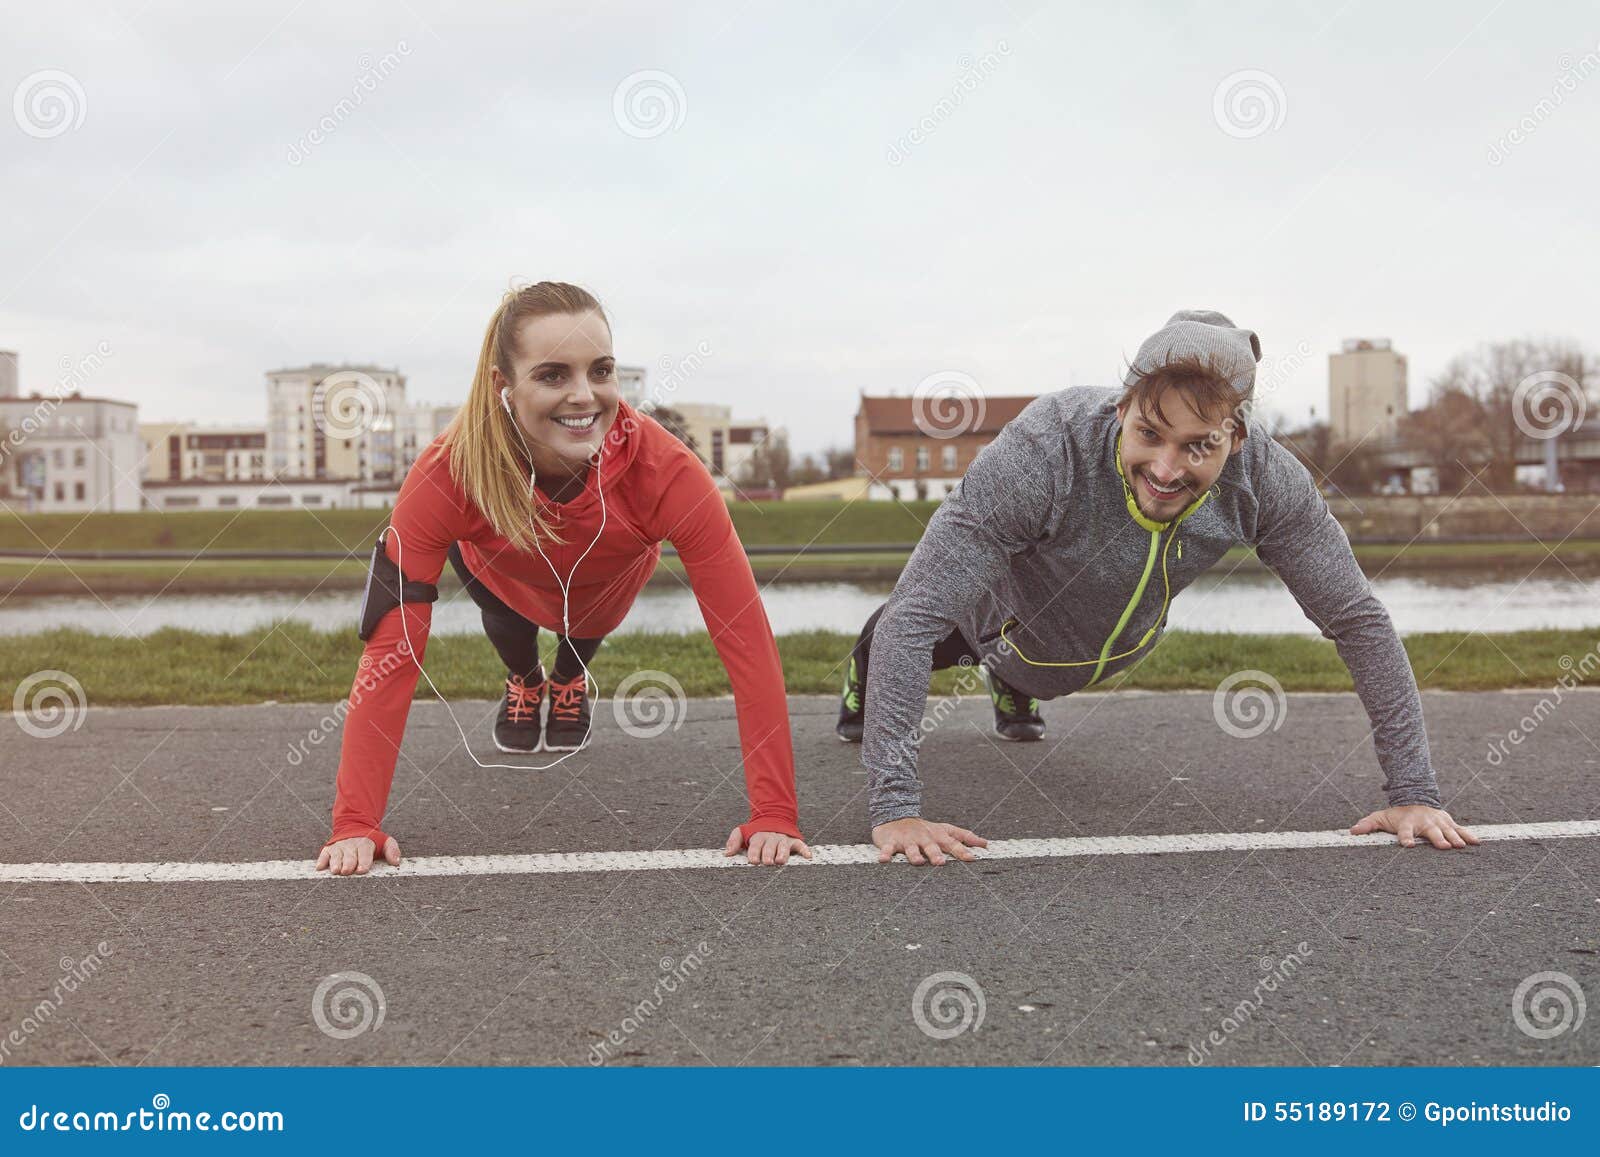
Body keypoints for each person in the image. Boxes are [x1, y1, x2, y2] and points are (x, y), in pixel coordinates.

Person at [839, 309, 1478, 866]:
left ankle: (1016, 687)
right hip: (996, 626)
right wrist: (896, 809)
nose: (1168, 470)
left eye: (1198, 446)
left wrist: (1414, 794)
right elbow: (917, 615)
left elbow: (1357, 620)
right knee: (912, 626)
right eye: (1149, 435)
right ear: (1121, 410)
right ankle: (880, 674)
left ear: (1237, 437)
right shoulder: (1045, 449)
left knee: (1051, 660)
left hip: (1116, 643)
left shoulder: (1266, 481)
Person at [317, 281, 809, 875]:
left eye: (600, 370)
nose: (585, 396)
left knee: (581, 637)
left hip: (603, 587)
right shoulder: (449, 471)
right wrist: (355, 822)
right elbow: (390, 649)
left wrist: (776, 812)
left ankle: (569, 678)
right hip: (501, 579)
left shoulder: (670, 471)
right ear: (505, 385)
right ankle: (525, 680)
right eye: (553, 375)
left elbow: (746, 640)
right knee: (511, 632)